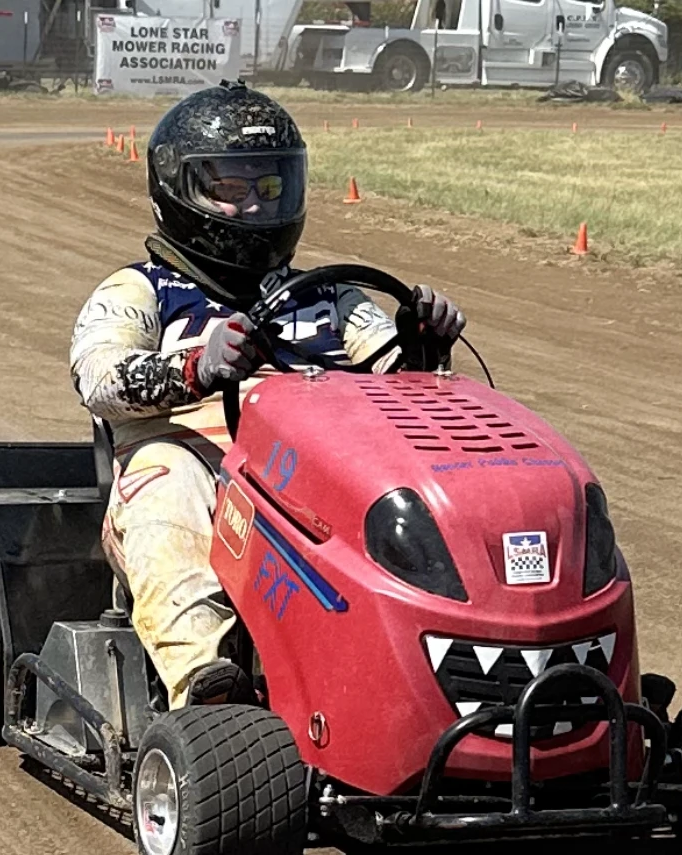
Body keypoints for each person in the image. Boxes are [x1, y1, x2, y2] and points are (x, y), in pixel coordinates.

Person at [70, 80, 466, 710]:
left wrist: (421, 348)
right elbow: (99, 378)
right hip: (197, 461)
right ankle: (205, 689)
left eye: (269, 188)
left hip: (315, 475)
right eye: (230, 189)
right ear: (181, 190)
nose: (253, 206)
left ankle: (466, 677)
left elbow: (397, 389)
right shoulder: (139, 292)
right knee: (162, 478)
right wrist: (198, 367)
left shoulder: (328, 295)